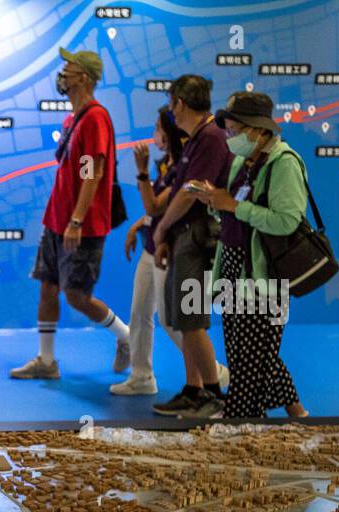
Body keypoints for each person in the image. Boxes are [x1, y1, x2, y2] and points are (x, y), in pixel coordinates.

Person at [12, 48, 129, 381]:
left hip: (82, 226)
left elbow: (92, 172)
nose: (62, 74)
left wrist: (77, 220)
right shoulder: (71, 120)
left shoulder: (95, 118)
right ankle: (46, 362)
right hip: (56, 222)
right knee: (47, 288)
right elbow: (77, 170)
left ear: (85, 78)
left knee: (77, 297)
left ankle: (126, 337)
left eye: (69, 69)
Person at [190, 91, 309, 419]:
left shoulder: (284, 163)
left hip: (265, 276)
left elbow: (287, 220)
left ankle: (240, 421)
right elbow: (234, 216)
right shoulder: (242, 162)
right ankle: (296, 414)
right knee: (248, 353)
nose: (229, 137)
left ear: (257, 129)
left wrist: (235, 206)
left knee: (251, 362)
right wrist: (216, 203)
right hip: (234, 268)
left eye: (233, 130)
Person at [151, 74, 232, 419]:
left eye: (172, 103)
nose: (171, 110)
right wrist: (168, 236)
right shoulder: (197, 139)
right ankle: (192, 389)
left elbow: (190, 193)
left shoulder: (211, 138)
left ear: (179, 103)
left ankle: (213, 394)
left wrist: (162, 230)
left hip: (197, 239)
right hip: (184, 238)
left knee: (193, 320)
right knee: (186, 321)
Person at [110, 107, 186, 395]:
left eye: (158, 128)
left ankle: (211, 372)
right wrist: (138, 225)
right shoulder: (166, 164)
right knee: (139, 312)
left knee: (170, 321)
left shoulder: (182, 167)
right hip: (150, 246)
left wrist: (141, 172)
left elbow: (154, 205)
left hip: (168, 250)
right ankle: (141, 377)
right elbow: (153, 212)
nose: (154, 134)